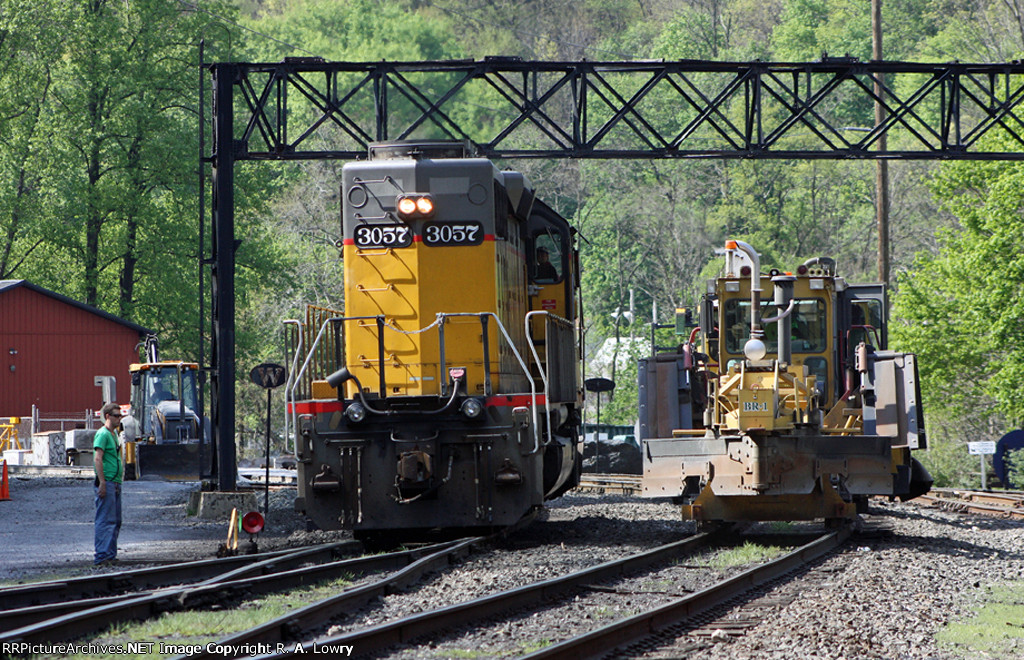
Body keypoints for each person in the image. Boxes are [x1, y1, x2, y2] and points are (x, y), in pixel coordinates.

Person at [93, 402, 124, 565]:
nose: (120, 418)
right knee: (105, 520)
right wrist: (102, 482)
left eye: (120, 415)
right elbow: (98, 458)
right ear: (107, 416)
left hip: (116, 482)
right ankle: (102, 556)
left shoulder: (114, 434)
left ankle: (110, 555)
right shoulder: (103, 434)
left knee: (115, 520)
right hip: (108, 482)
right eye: (116, 415)